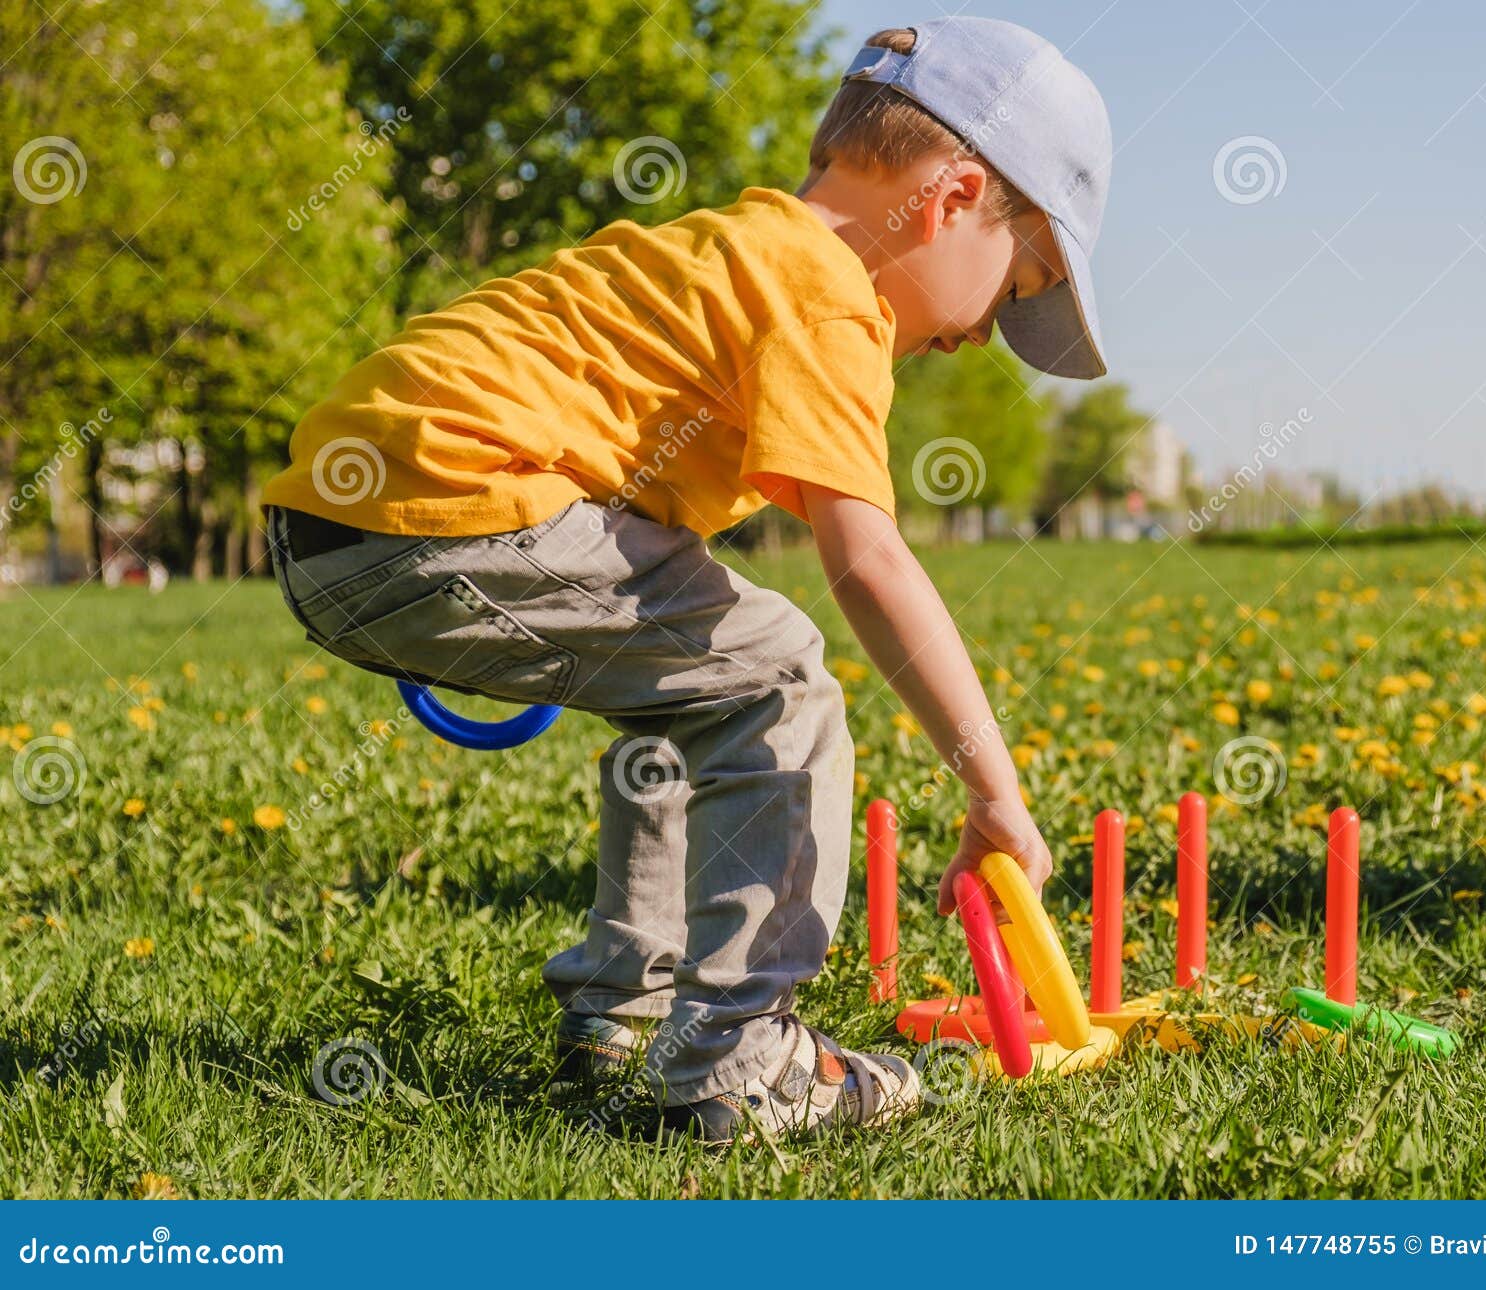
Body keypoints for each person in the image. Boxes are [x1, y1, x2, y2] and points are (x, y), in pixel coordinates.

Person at [261, 17, 1112, 1145]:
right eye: (1018, 286)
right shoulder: (824, 290)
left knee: (696, 677)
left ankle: (625, 1004)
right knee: (777, 681)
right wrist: (992, 787)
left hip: (334, 524)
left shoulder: (727, 252)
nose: (984, 336)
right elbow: (867, 560)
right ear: (952, 198)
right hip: (457, 506)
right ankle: (739, 1062)